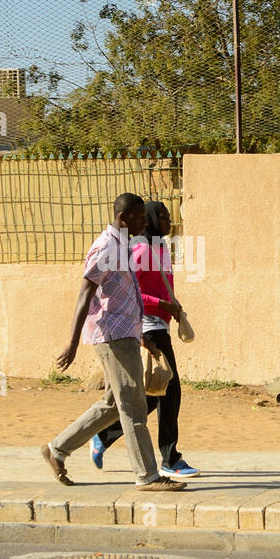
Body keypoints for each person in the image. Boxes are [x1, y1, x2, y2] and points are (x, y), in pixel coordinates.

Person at [40, 193, 186, 491]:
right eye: (140, 217)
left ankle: (56, 450)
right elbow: (85, 293)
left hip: (126, 334)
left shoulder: (123, 245)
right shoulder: (107, 246)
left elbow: (126, 297)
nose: (145, 222)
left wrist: (143, 336)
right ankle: (148, 475)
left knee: (112, 405)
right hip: (111, 336)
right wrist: (71, 342)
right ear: (124, 217)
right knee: (133, 403)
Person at [89, 199, 200, 478]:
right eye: (162, 217)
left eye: (168, 217)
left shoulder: (160, 249)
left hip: (159, 326)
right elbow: (133, 292)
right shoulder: (139, 251)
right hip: (146, 327)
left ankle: (104, 436)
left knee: (153, 393)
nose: (168, 222)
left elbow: (160, 287)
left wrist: (172, 306)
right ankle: (170, 458)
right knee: (170, 390)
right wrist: (162, 305)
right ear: (148, 220)